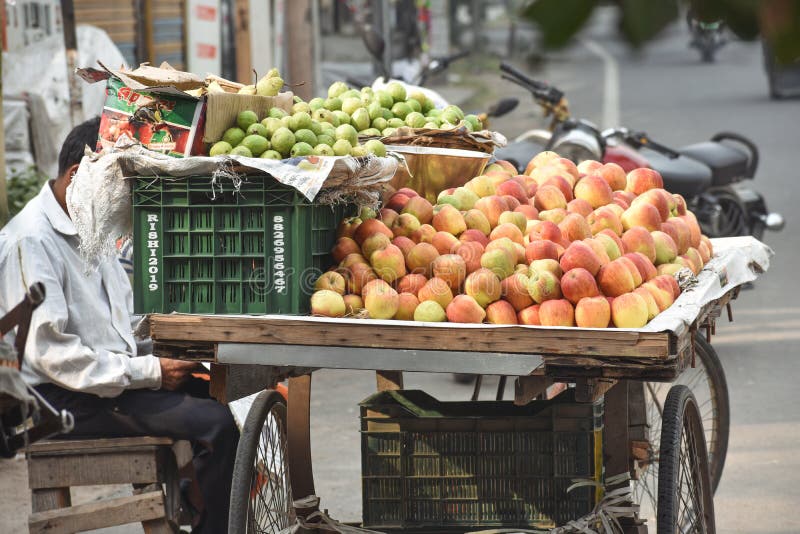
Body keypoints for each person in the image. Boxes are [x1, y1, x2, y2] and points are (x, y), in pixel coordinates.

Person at [0, 117, 238, 533]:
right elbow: (55, 356)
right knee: (214, 425)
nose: (122, 201)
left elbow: (122, 324)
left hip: (104, 382)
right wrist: (151, 373)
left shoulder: (91, 225)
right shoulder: (31, 240)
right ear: (77, 176)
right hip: (60, 402)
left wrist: (171, 349)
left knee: (230, 402)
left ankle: (198, 505)